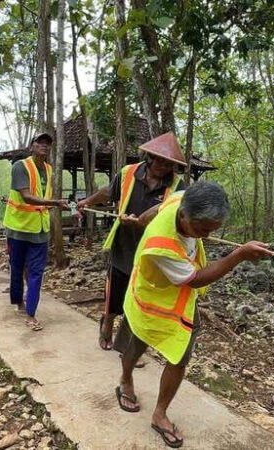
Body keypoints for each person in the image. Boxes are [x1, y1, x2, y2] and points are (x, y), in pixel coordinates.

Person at [114, 181, 273, 448]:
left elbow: (157, 207)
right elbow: (196, 278)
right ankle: (125, 380)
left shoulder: (181, 198)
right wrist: (239, 255)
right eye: (201, 230)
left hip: (180, 303)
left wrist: (139, 219)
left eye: (212, 231)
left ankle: (160, 413)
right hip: (150, 299)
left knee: (179, 357)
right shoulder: (161, 244)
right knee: (137, 343)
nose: (206, 238)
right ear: (184, 215)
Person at [78, 132, 186, 358]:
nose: (163, 166)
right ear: (149, 156)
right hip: (123, 244)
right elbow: (109, 192)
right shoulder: (128, 173)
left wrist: (147, 218)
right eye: (160, 160)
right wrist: (88, 201)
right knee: (115, 292)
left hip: (151, 250)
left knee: (139, 298)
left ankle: (128, 349)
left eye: (169, 163)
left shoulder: (177, 185)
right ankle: (106, 325)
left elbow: (176, 210)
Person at [3, 132, 68, 331]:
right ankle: (18, 302)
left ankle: (31, 313)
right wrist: (55, 202)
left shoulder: (49, 170)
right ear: (31, 146)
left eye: (48, 144)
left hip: (40, 229)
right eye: (40, 142)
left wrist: (56, 204)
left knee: (36, 272)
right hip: (18, 227)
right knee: (17, 267)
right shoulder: (20, 166)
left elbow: (42, 196)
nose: (45, 146)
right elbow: (26, 197)